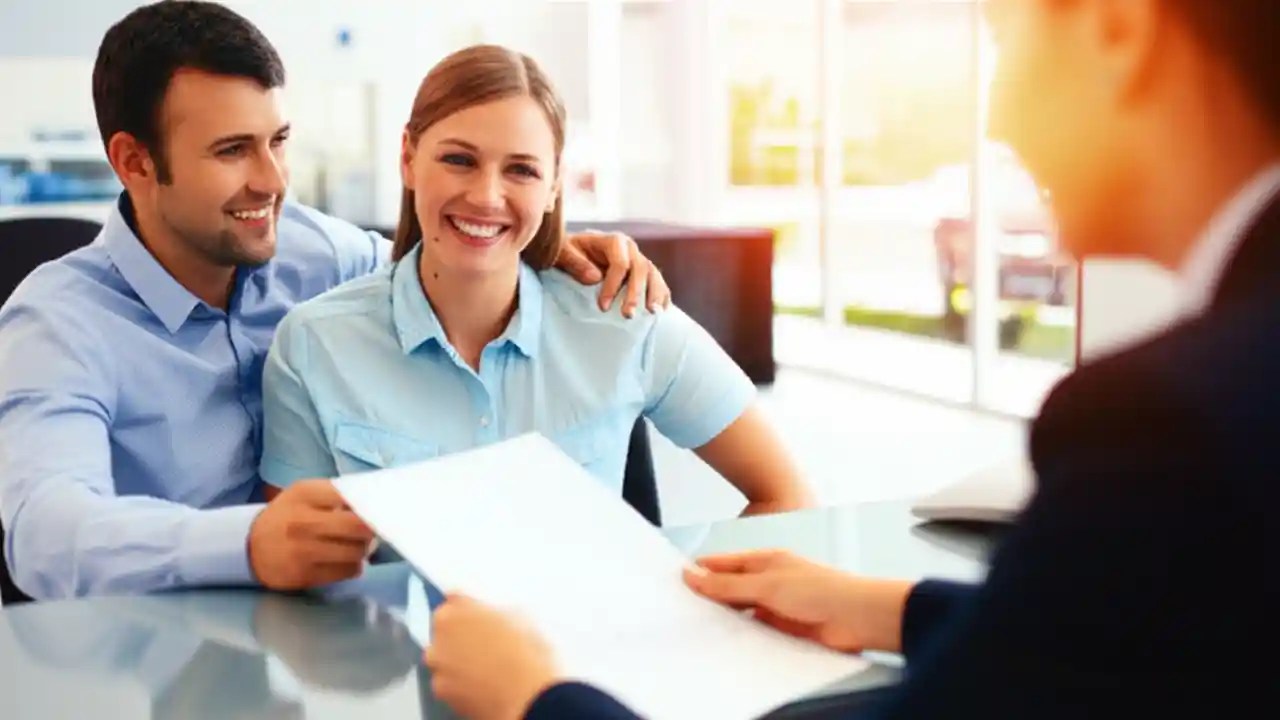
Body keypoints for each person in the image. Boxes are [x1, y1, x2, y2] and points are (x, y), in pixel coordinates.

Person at [421, 0, 1276, 718]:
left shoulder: (1164, 424)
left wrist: (535, 699)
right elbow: (1120, 636)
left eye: (1006, 45)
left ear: (1119, 31)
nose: (997, 119)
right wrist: (890, 607)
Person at [0, 0, 669, 601]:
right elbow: (47, 531)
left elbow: (444, 268)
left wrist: (551, 251)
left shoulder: (319, 253)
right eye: (233, 151)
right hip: (150, 665)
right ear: (135, 162)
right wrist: (248, 542)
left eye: (279, 141)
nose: (272, 181)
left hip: (344, 639)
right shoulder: (58, 325)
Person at [259, 46, 810, 519]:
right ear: (408, 158)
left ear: (553, 186)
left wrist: (677, 602)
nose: (486, 196)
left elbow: (785, 493)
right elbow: (301, 577)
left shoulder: (625, 318)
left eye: (521, 170)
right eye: (458, 159)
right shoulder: (314, 345)